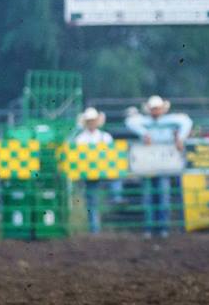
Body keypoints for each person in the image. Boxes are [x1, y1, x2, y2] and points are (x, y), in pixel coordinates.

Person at [125, 95, 192, 237]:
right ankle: (150, 228)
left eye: (157, 108)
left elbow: (187, 122)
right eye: (153, 109)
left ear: (162, 109)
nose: (155, 111)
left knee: (163, 195)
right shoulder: (144, 122)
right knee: (148, 197)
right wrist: (144, 134)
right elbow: (130, 122)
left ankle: (163, 228)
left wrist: (180, 137)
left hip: (164, 164)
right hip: (148, 164)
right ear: (149, 110)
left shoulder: (171, 120)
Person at [73, 107, 114, 234]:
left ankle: (115, 197)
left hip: (105, 173)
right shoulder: (80, 139)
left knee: (95, 198)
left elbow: (112, 155)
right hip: (90, 174)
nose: (91, 123)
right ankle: (94, 229)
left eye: (93, 120)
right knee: (92, 200)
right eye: (89, 121)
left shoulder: (105, 137)